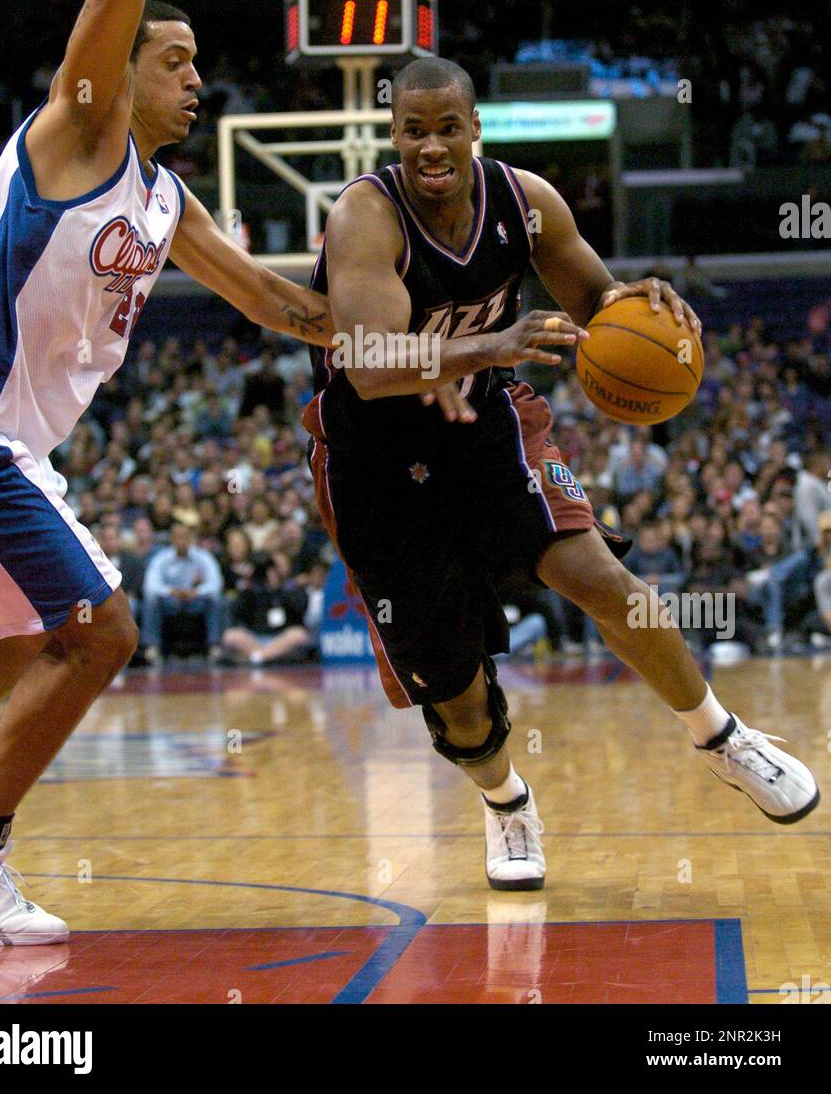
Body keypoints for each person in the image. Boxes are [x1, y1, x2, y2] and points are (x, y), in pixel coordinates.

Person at [0, 0, 334, 946]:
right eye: (178, 60)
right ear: (122, 73)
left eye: (202, 67)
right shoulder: (78, 131)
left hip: (0, 444)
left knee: (22, 637)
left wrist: (458, 331)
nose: (196, 79)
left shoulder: (168, 206)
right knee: (101, 630)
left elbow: (288, 309)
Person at [301, 55, 819, 893]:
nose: (429, 146)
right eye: (411, 130)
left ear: (475, 128)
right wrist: (492, 344)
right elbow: (366, 362)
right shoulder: (367, 215)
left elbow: (597, 308)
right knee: (458, 691)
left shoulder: (527, 202)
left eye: (446, 128)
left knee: (601, 577)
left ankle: (724, 739)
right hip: (376, 460)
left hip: (488, 432)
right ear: (392, 134)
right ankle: (507, 804)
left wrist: (637, 305)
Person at [141, 523, 225, 663]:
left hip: (195, 601)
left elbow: (216, 583)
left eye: (185, 536)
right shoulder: (161, 558)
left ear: (191, 538)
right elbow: (150, 585)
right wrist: (171, 591)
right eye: (178, 537)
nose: (182, 540)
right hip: (171, 602)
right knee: (151, 600)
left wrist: (197, 592)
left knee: (216, 599)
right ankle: (152, 647)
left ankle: (214, 646)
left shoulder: (203, 557)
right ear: (172, 539)